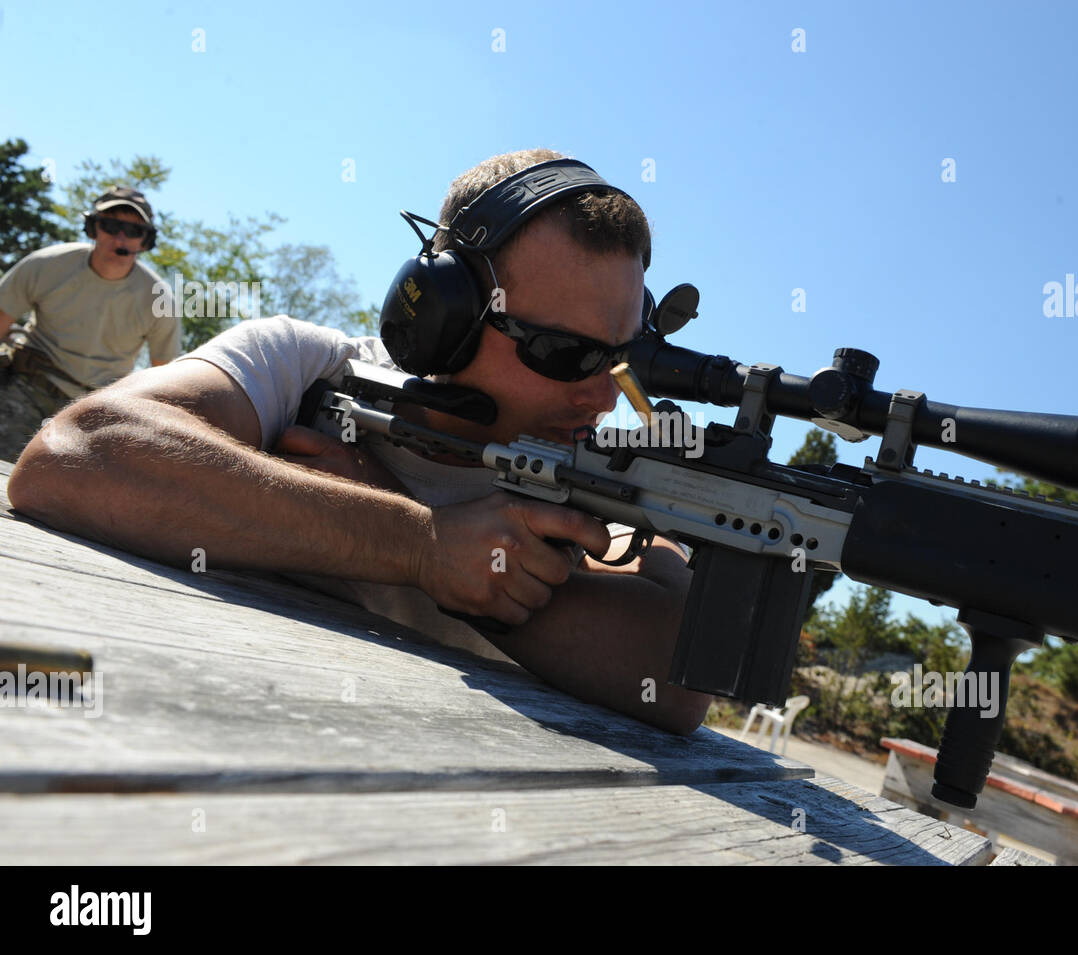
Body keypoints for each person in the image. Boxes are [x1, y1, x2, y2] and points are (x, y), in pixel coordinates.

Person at [9, 150, 711, 735]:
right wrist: (417, 545)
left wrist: (405, 529)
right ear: (443, 313)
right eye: (564, 353)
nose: (604, 395)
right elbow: (76, 453)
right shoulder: (303, 367)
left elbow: (679, 676)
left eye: (625, 360)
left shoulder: (596, 472)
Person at [0, 186, 180, 461]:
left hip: (96, 412)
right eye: (110, 225)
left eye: (133, 231)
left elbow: (163, 381)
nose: (120, 237)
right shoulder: (48, 265)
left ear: (145, 241)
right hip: (29, 386)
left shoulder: (159, 299)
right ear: (92, 227)